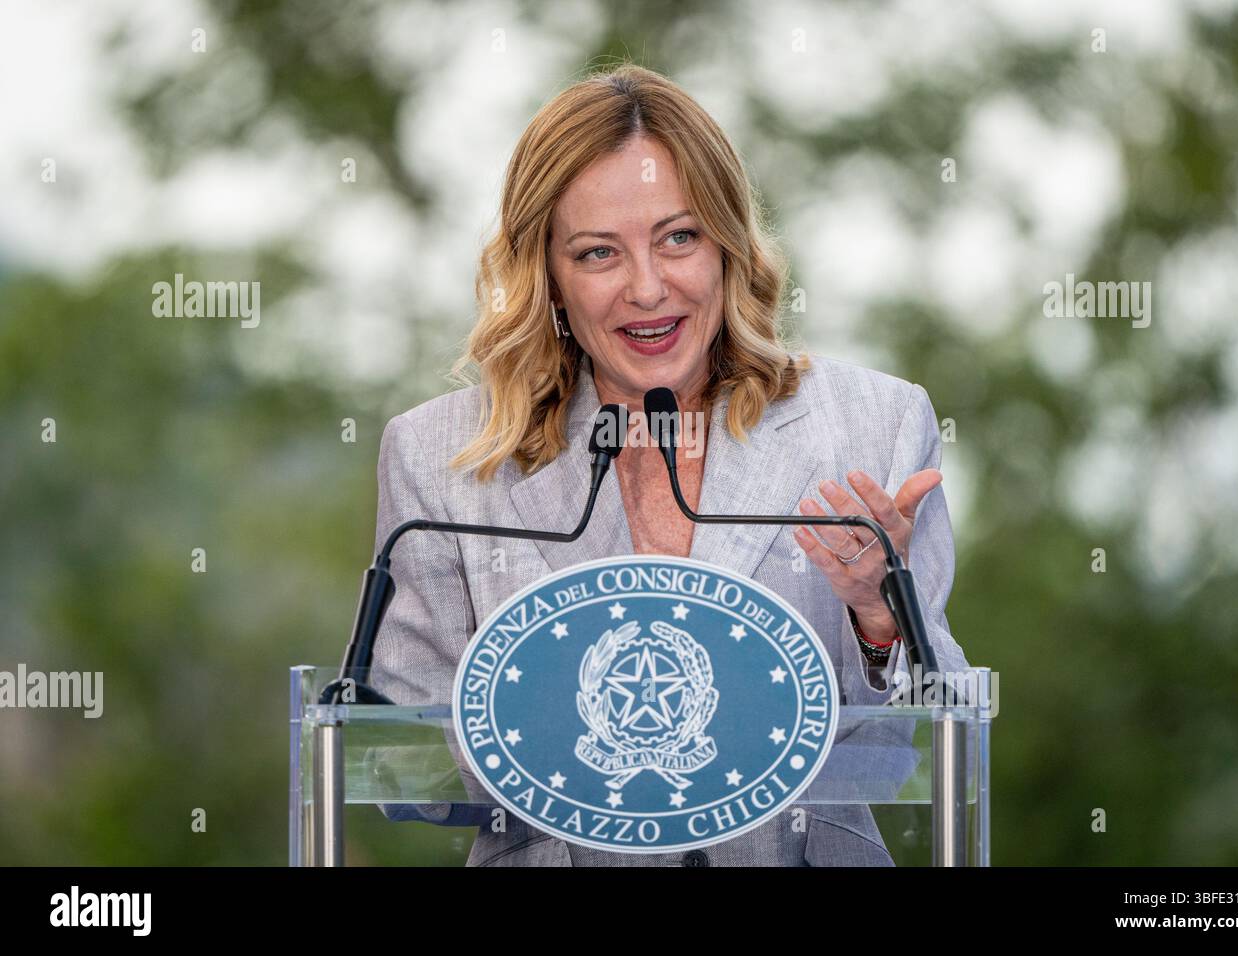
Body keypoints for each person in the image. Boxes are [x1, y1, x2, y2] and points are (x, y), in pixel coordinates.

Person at [370, 63, 969, 866]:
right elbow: (408, 767)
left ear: (727, 245)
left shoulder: (872, 425)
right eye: (597, 254)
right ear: (546, 274)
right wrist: (582, 734)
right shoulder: (440, 460)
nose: (648, 288)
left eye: (678, 238)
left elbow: (927, 741)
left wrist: (879, 623)